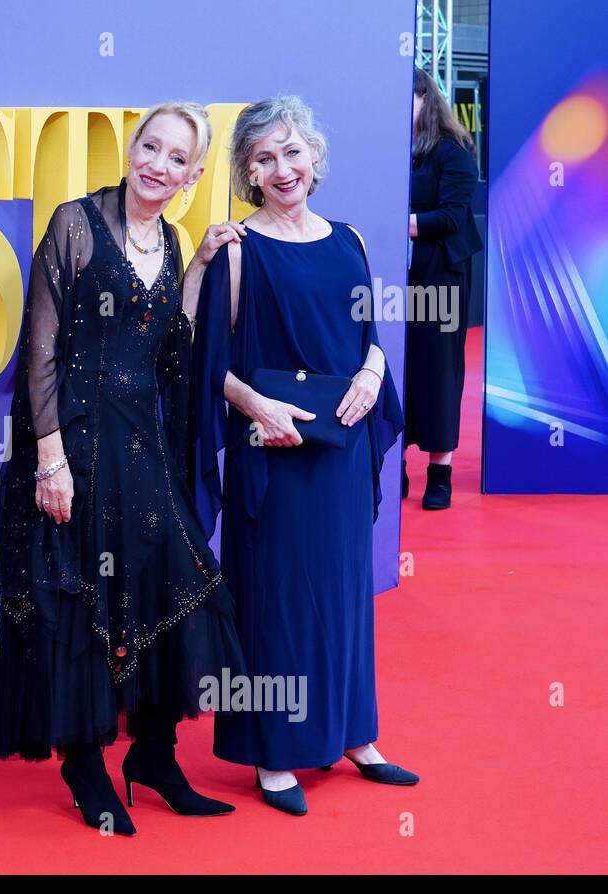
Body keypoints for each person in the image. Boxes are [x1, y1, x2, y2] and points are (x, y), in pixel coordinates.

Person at [0, 102, 248, 835]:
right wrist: (50, 459)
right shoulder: (75, 224)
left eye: (175, 158)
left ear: (193, 175)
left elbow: (170, 351)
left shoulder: (172, 238)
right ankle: (86, 763)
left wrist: (194, 269)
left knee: (174, 583)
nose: (157, 165)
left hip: (140, 446)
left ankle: (154, 755)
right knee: (77, 607)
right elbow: (38, 352)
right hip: (70, 445)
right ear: (132, 148)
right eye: (149, 147)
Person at [185, 95, 419, 817]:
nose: (281, 168)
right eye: (264, 157)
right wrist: (252, 403)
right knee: (279, 603)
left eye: (292, 151)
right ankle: (275, 749)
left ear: (314, 154)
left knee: (345, 597)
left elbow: (366, 338)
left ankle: (354, 733)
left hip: (341, 457)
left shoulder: (348, 238)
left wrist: (377, 372)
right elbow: (199, 360)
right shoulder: (236, 251)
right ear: (248, 171)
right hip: (274, 457)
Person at [404, 68, 484, 509]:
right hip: (395, 273)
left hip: (441, 272)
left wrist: (400, 226)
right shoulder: (392, 147)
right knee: (394, 364)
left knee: (438, 369)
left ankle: (440, 472)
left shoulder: (453, 150)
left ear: (422, 97)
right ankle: (392, 463)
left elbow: (452, 218)